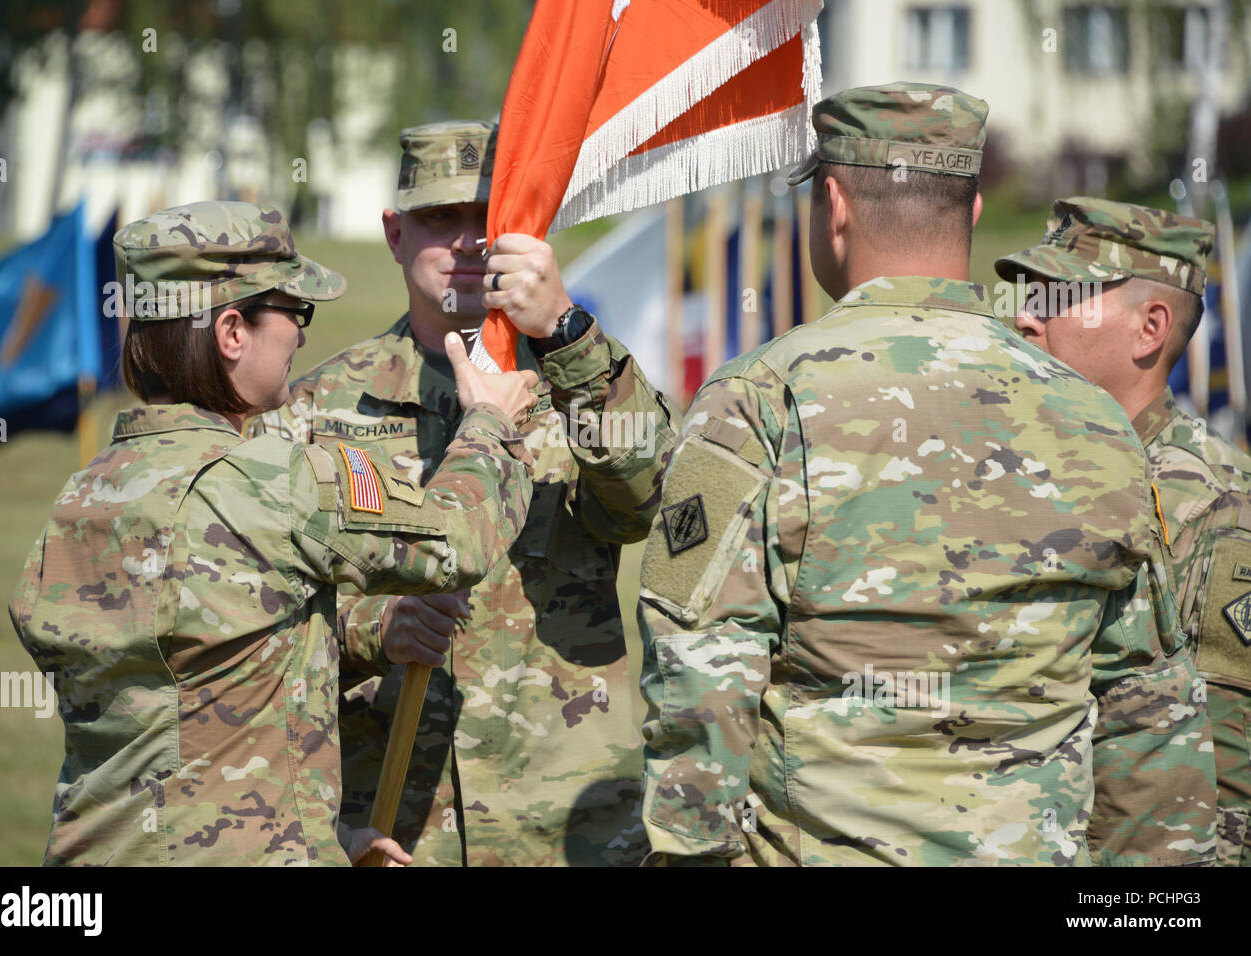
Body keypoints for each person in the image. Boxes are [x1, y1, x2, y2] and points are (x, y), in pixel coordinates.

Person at [636, 83, 1216, 866]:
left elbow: (697, 683)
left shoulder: (757, 403)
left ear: (833, 205)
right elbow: (1149, 717)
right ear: (972, 214)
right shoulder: (1100, 424)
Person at [9, 200, 539, 866]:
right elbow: (461, 539)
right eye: (296, 313)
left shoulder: (79, 499)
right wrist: (490, 424)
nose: (302, 338)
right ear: (232, 332)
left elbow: (200, 679)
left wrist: (325, 841)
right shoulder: (279, 482)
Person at [252, 121, 680, 865]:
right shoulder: (318, 409)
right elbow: (258, 616)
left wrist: (563, 330)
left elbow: (646, 499)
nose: (468, 243)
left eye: (489, 219)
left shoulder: (575, 380)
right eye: (438, 219)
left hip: (565, 825)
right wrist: (373, 627)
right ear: (393, 232)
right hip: (399, 824)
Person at [997, 197, 1247, 866]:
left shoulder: (1217, 512)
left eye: (1059, 297)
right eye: (1029, 293)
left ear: (1149, 329)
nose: (1025, 316)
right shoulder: (1023, 466)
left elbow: (1226, 790)